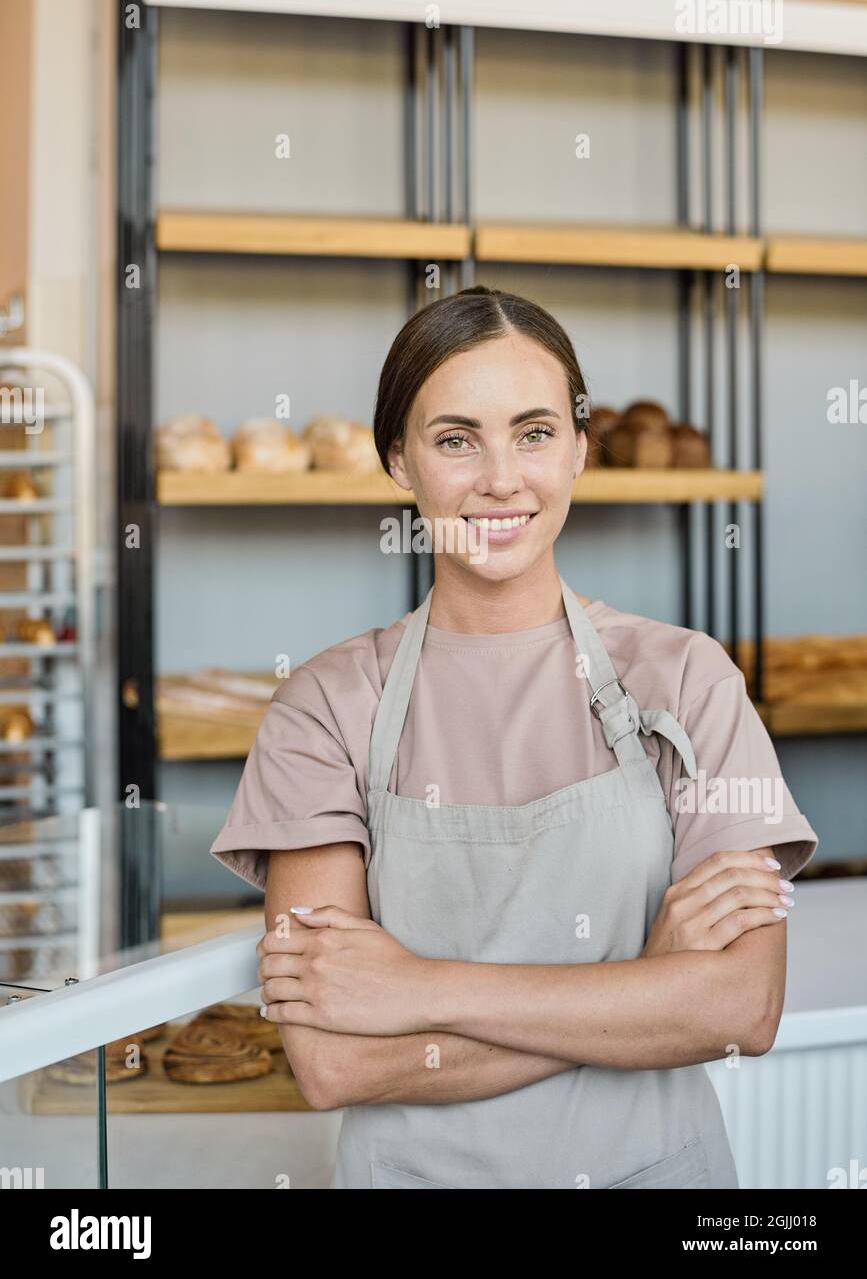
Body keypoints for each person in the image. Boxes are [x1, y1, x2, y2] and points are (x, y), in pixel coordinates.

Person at [210, 286, 818, 1189]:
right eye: (455, 439)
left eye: (533, 433)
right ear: (398, 462)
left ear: (578, 449)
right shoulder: (325, 707)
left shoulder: (687, 679)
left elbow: (741, 1008)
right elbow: (335, 1063)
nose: (500, 478)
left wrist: (417, 988)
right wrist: (645, 985)